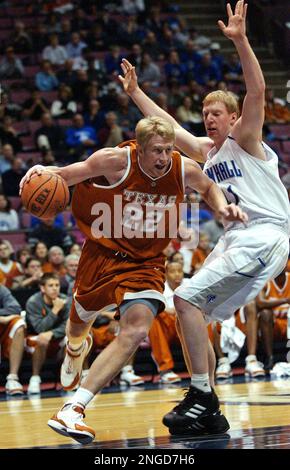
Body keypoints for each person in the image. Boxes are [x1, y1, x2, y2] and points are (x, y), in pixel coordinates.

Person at [118, 0, 290, 435]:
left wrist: (241, 40)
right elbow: (165, 125)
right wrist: (136, 92)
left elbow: (256, 91)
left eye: (217, 113)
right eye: (206, 113)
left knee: (186, 300)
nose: (209, 118)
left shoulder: (246, 140)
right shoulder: (206, 152)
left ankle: (201, 394)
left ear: (233, 119)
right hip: (236, 240)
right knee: (192, 312)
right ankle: (207, 402)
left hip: (263, 234)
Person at [20, 114, 246, 443]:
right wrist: (37, 174)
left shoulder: (181, 169)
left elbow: (208, 186)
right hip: (102, 255)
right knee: (78, 325)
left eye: (168, 150)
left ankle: (73, 410)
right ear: (138, 149)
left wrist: (222, 207)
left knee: (136, 328)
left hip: (146, 264)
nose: (164, 159)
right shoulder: (112, 161)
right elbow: (65, 175)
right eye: (156, 151)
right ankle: (74, 347)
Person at [25, 273, 70, 394]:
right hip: (34, 337)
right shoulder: (33, 302)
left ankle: (67, 378)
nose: (55, 288)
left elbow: (68, 325)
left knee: (72, 340)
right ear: (42, 288)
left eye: (57, 285)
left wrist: (53, 333)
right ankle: (35, 379)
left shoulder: (65, 300)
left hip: (57, 336)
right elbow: (40, 328)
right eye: (51, 285)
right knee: (42, 339)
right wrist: (55, 310)